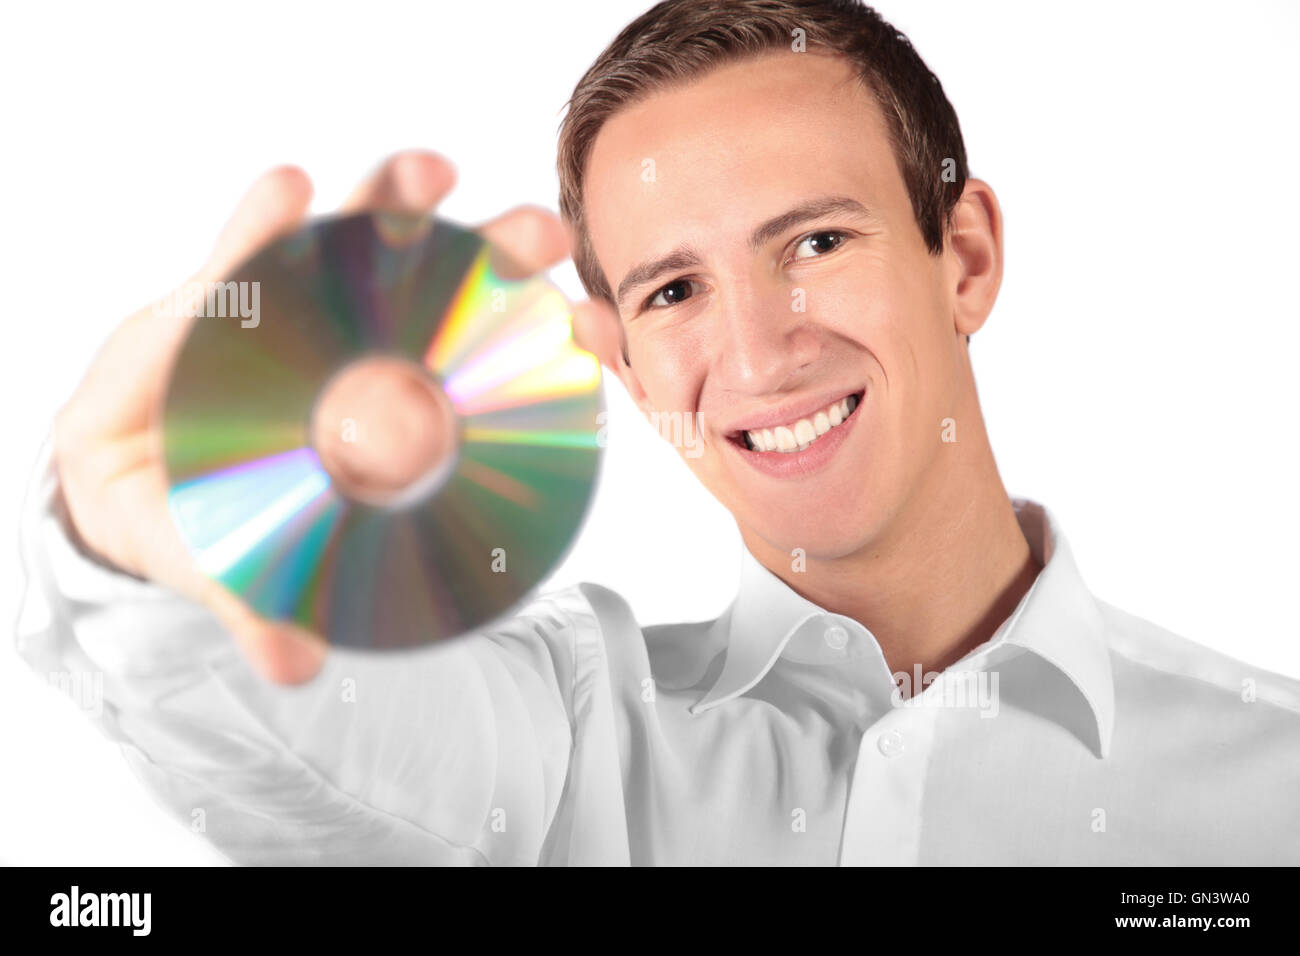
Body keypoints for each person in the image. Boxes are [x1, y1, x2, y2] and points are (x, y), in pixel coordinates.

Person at [17, 0, 1300, 865]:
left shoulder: (1276, 781)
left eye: (813, 241)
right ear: (621, 360)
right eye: (674, 289)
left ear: (960, 258)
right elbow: (314, 741)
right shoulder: (571, 732)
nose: (753, 354)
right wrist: (151, 550)